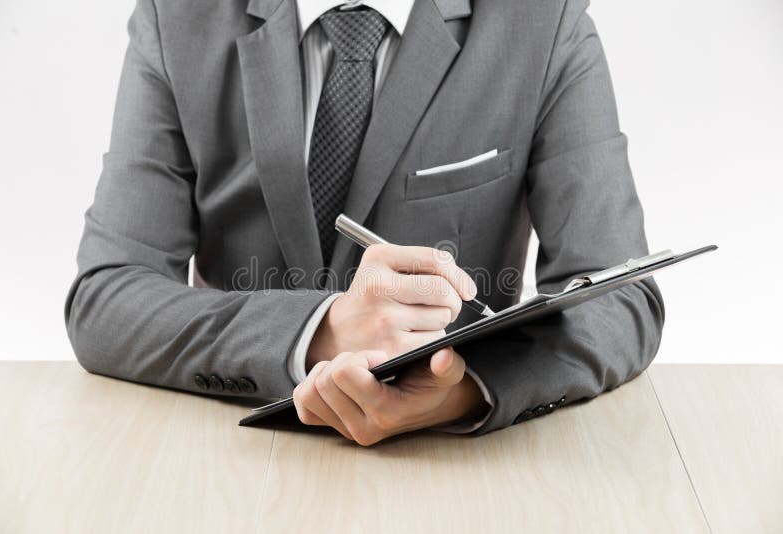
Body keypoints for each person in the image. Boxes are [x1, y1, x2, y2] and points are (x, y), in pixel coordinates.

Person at [65, 0, 664, 446]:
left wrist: (463, 391)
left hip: (451, 474)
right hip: (229, 450)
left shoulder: (542, 20)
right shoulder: (179, 17)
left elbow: (620, 297)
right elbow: (106, 299)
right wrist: (318, 332)